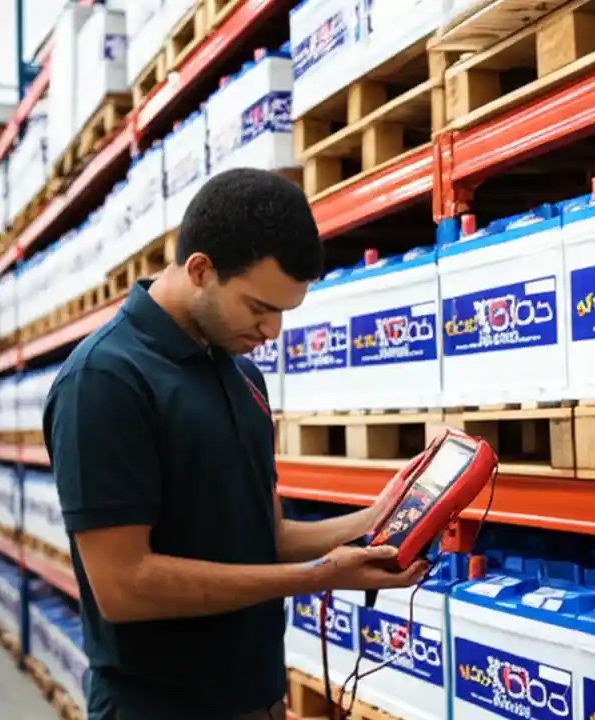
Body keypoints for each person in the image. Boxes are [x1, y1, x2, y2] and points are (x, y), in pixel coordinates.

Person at [43, 168, 426, 720]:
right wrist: (316, 578)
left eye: (283, 314)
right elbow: (124, 586)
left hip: (258, 700)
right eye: (258, 308)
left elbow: (261, 537)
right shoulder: (105, 380)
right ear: (200, 269)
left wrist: (376, 518)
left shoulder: (241, 375)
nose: (271, 332)